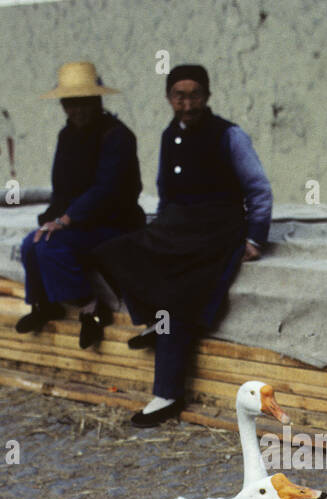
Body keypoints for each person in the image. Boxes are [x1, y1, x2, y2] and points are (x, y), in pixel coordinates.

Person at [93, 64, 273, 427]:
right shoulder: (168, 134)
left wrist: (254, 238)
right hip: (177, 227)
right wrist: (158, 232)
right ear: (169, 98)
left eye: (194, 95)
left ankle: (167, 395)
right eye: (179, 95)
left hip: (216, 230)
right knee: (111, 251)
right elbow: (164, 189)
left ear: (206, 96)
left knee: (177, 301)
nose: (187, 104)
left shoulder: (229, 135)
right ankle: (149, 321)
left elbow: (259, 189)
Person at [16, 61, 145, 349]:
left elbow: (107, 189)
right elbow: (61, 189)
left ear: (97, 101)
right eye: (70, 104)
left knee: (52, 247)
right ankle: (44, 305)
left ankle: (91, 308)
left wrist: (66, 221)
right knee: (32, 243)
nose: (77, 111)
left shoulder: (117, 137)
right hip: (77, 222)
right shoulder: (67, 136)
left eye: (83, 103)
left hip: (113, 222)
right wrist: (50, 220)